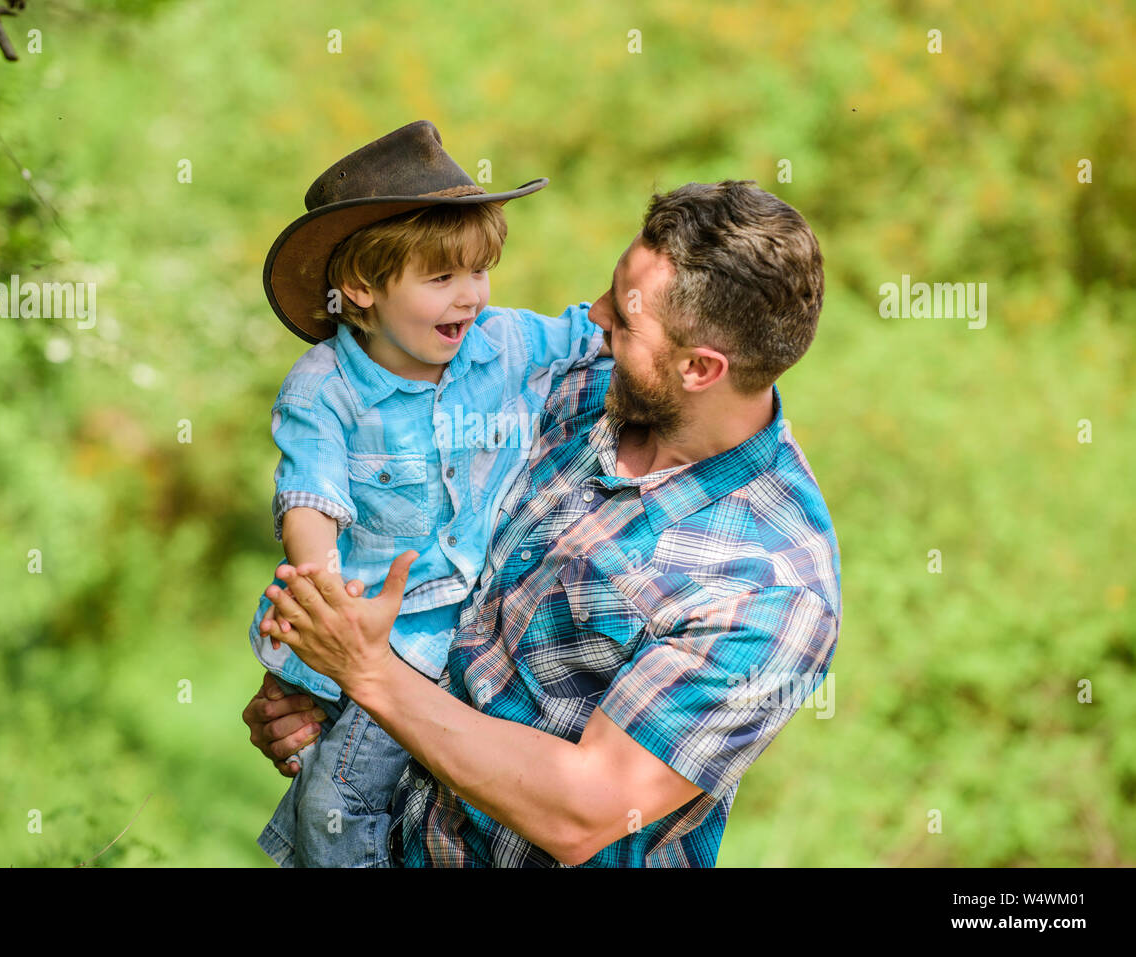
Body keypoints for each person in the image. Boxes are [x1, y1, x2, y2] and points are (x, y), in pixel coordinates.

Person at [246, 180, 842, 867]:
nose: (593, 316)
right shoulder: (575, 384)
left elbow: (583, 808)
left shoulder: (768, 589)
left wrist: (367, 673)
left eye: (623, 315)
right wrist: (314, 687)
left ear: (701, 368)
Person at [251, 120, 608, 867]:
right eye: (441, 278)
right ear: (361, 287)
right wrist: (324, 593)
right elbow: (310, 498)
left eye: (479, 271)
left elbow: (590, 330)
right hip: (384, 634)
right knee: (335, 795)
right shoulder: (326, 386)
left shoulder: (504, 342)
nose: (470, 296)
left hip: (467, 631)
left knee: (335, 795)